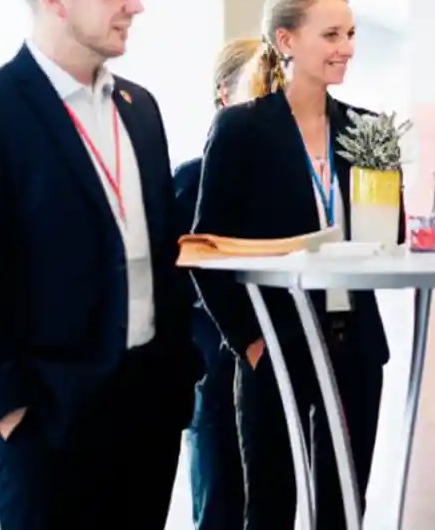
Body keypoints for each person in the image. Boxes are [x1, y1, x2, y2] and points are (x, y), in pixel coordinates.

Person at [0, 0, 198, 529]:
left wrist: (179, 378)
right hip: (47, 422)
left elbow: (159, 248)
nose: (134, 5)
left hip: (147, 407)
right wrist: (8, 412)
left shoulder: (140, 108)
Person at [191, 0, 390, 529]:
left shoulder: (371, 131)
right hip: (274, 347)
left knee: (345, 510)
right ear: (286, 40)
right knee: (270, 510)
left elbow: (385, 243)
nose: (346, 47)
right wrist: (249, 342)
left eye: (350, 33)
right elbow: (206, 248)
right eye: (330, 35)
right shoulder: (240, 130)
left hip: (355, 344)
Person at [174, 37, 271, 529]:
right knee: (219, 504)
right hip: (215, 366)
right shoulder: (191, 180)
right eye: (257, 88)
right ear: (222, 95)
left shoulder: (288, 181)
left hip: (275, 363)